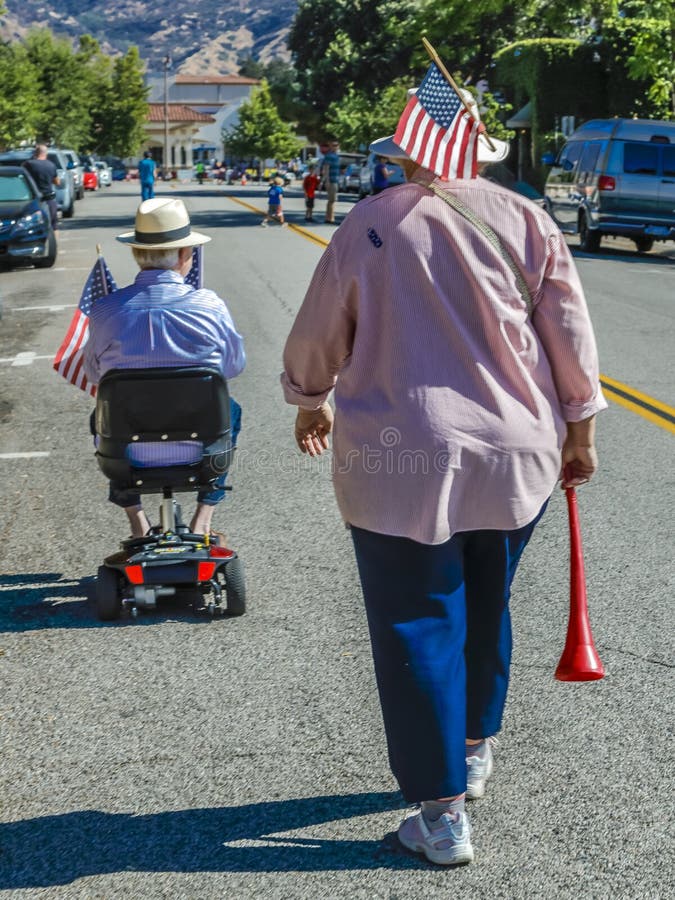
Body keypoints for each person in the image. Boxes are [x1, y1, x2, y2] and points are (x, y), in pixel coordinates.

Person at [282, 89, 606, 866]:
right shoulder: (527, 219)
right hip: (514, 449)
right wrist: (580, 431)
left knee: (417, 617)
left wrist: (308, 400)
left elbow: (318, 336)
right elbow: (567, 330)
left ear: (405, 150)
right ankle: (472, 747)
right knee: (485, 599)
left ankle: (440, 814)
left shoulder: (368, 225)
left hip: (400, 454)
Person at [83, 197, 245, 540]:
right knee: (233, 411)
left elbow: (95, 376)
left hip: (127, 452)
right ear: (186, 255)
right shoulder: (210, 306)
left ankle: (138, 524)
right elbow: (232, 367)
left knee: (98, 414)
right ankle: (203, 518)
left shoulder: (106, 310)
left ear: (136, 253)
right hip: (202, 448)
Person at [23, 144, 60, 232]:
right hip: (49, 199)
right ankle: (54, 244)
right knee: (53, 225)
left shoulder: (28, 164)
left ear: (35, 153)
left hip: (33, 200)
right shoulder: (51, 165)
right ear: (46, 153)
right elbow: (57, 182)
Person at [320, 140, 340, 224]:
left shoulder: (336, 156)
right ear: (330, 146)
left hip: (335, 179)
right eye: (333, 145)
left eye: (336, 145)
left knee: (332, 200)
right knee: (332, 200)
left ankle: (329, 217)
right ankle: (330, 218)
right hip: (331, 180)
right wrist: (326, 181)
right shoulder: (329, 156)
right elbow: (326, 168)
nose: (335, 146)